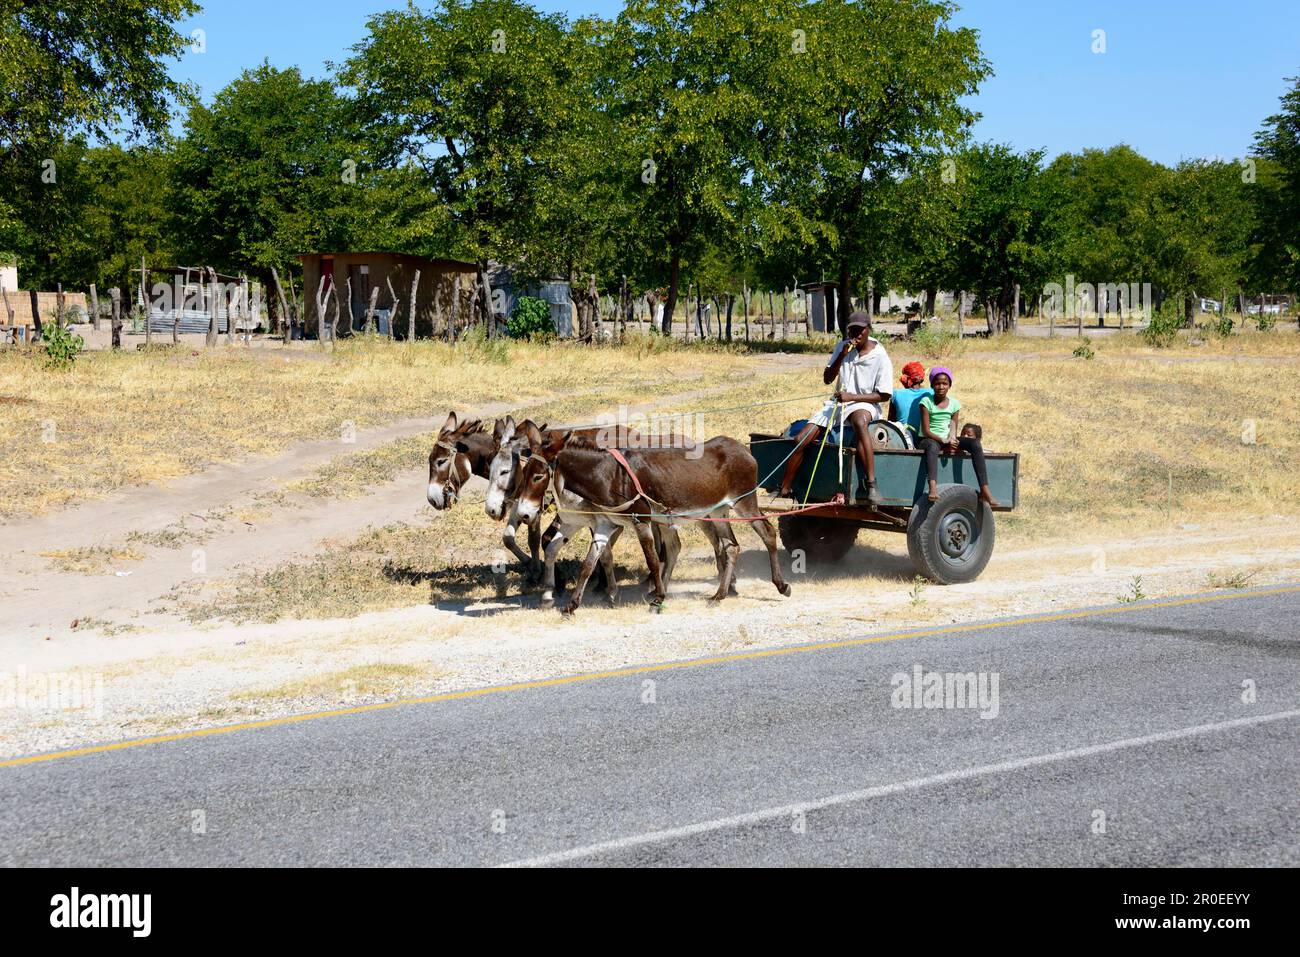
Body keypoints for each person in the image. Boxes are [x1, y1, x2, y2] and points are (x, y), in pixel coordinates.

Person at [777, 311, 893, 505]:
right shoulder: (842, 347)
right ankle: (785, 489)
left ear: (868, 329)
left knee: (859, 420)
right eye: (852, 330)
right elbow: (827, 379)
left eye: (860, 330)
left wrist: (852, 397)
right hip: (838, 404)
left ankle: (871, 483)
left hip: (865, 403)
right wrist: (842, 355)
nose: (855, 334)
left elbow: (884, 395)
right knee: (801, 438)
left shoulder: (880, 355)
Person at [917, 367, 998, 507]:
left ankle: (984, 489)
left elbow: (953, 425)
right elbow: (926, 431)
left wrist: (953, 440)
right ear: (932, 385)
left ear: (949, 385)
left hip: (946, 438)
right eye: (937, 383)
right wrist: (944, 440)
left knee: (974, 444)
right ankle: (933, 486)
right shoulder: (926, 402)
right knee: (932, 446)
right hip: (929, 438)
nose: (941, 387)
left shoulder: (954, 404)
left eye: (944, 383)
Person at [889, 360, 932, 441]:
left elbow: (891, 423)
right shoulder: (931, 392)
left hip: (903, 439)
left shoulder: (896, 394)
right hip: (927, 438)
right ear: (922, 378)